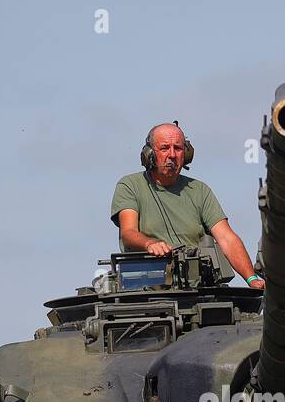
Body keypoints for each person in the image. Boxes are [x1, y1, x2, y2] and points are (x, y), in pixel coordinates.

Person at [110, 123, 264, 289]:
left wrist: (251, 278)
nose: (172, 155)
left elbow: (227, 238)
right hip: (145, 287)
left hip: (195, 288)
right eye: (164, 148)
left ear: (187, 154)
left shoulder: (199, 191)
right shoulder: (130, 185)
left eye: (178, 148)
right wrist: (150, 244)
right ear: (149, 154)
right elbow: (128, 233)